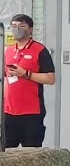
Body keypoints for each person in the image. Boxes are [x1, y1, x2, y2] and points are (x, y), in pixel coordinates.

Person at [3, 14, 56, 148]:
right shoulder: (8, 51)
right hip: (9, 112)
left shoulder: (40, 50)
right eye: (13, 26)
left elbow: (50, 79)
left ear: (30, 29)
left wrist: (26, 74)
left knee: (32, 152)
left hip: (31, 113)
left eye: (22, 26)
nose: (17, 29)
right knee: (6, 153)